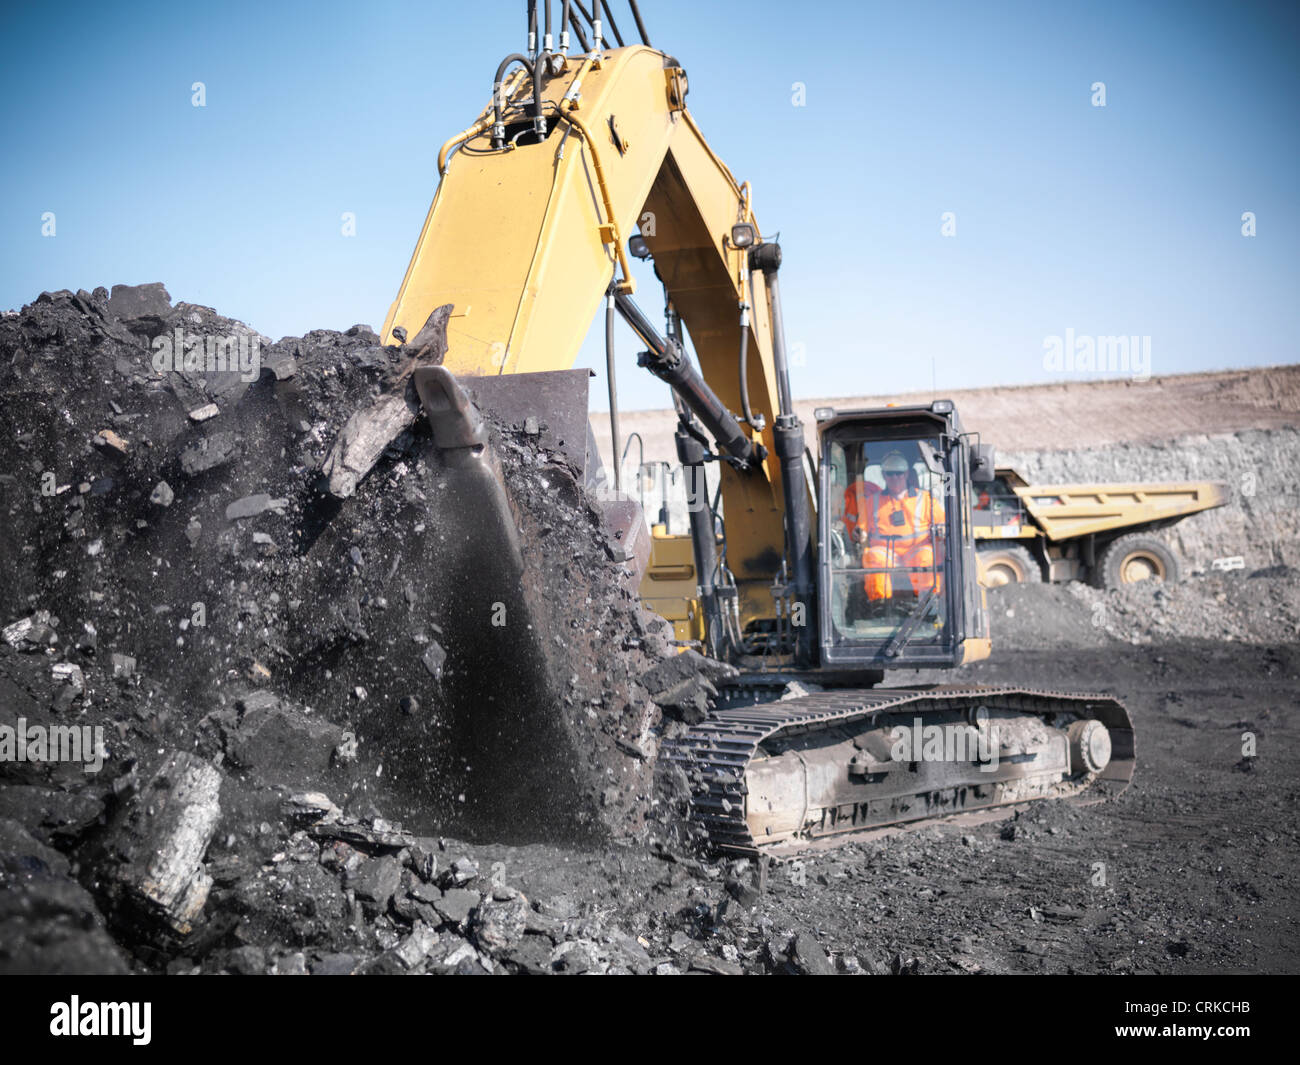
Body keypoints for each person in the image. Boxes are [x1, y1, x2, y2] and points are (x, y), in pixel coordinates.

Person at [858, 450, 945, 602]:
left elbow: (942, 524)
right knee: (872, 556)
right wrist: (859, 533)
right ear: (884, 475)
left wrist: (941, 530)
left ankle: (928, 602)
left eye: (899, 473)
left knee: (927, 556)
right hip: (886, 552)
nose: (895, 477)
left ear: (906, 474)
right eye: (890, 473)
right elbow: (861, 529)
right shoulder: (872, 501)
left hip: (916, 550)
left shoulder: (925, 499)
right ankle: (880, 603)